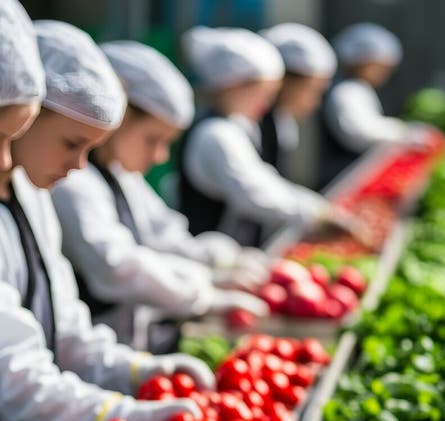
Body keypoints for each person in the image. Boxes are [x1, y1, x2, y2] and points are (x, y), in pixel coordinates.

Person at [0, 19, 213, 421]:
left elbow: (66, 332)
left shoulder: (32, 197)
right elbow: (15, 375)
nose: (79, 167)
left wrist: (138, 371)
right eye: (71, 143)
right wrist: (124, 413)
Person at [52, 40, 266, 345]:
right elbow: (115, 265)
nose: (159, 156)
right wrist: (202, 294)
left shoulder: (119, 174)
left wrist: (220, 263)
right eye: (153, 139)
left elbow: (163, 236)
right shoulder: (72, 181)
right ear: (119, 115)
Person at [178, 26, 341, 247]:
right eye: (264, 95)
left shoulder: (237, 126)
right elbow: (255, 191)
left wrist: (318, 209)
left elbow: (266, 180)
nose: (266, 105)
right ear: (233, 86)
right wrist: (317, 215)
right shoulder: (216, 134)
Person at [321, 22, 432, 188]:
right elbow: (360, 132)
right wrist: (404, 133)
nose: (384, 75)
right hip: (343, 178)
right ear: (360, 61)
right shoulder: (347, 90)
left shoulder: (359, 89)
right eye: (380, 67)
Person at [258, 23, 337, 177]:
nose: (316, 102)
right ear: (283, 81)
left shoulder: (283, 123)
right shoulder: (245, 128)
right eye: (313, 90)